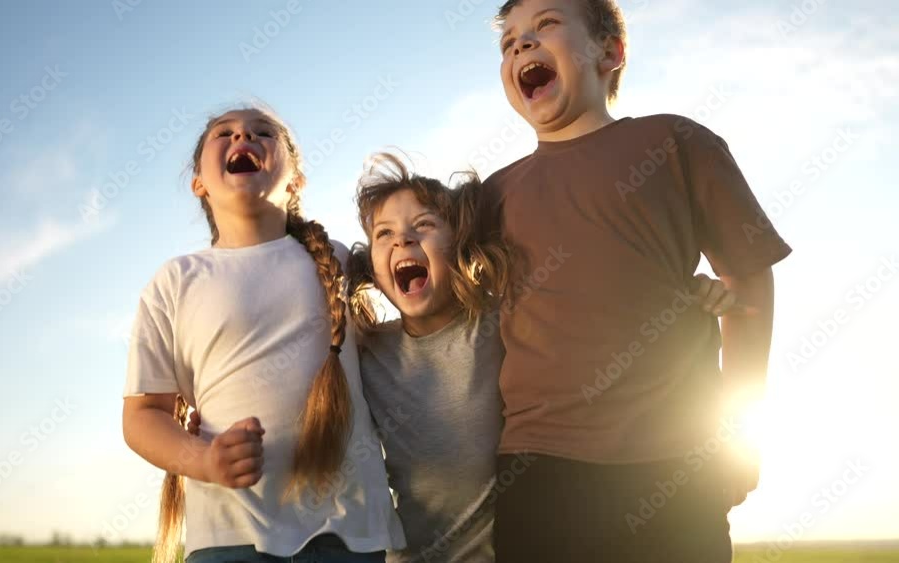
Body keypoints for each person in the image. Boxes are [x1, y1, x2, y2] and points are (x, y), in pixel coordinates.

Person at [186, 152, 742, 562]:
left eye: (423, 227)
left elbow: (587, 313)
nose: (403, 242)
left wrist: (685, 294)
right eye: (384, 235)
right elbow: (288, 351)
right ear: (373, 267)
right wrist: (206, 402)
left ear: (459, 248)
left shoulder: (502, 323)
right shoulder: (366, 351)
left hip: (519, 549)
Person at [485, 1, 793, 561]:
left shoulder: (676, 143)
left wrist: (738, 430)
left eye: (546, 25)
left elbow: (748, 279)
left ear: (611, 51)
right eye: (509, 43)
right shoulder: (493, 194)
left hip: (677, 462)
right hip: (537, 468)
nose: (522, 46)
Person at [122, 106, 405, 563]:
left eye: (261, 133)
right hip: (230, 531)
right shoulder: (175, 281)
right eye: (225, 133)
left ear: (295, 181)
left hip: (351, 530)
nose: (243, 138)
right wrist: (204, 461)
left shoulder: (338, 261)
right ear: (199, 181)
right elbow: (142, 417)